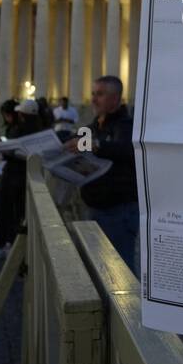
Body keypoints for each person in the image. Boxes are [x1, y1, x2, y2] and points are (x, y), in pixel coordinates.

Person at [63, 76, 139, 274]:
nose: (94, 100)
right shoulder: (96, 125)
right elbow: (78, 137)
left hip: (118, 211)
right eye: (93, 94)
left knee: (121, 272)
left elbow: (125, 149)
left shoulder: (127, 125)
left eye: (100, 94)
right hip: (95, 208)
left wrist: (95, 145)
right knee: (100, 269)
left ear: (115, 99)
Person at [0, 99, 42, 259]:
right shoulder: (39, 130)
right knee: (20, 212)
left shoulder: (18, 131)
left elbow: (11, 152)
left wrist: (1, 147)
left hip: (12, 175)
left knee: (4, 210)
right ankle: (14, 244)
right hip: (27, 176)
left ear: (22, 115)